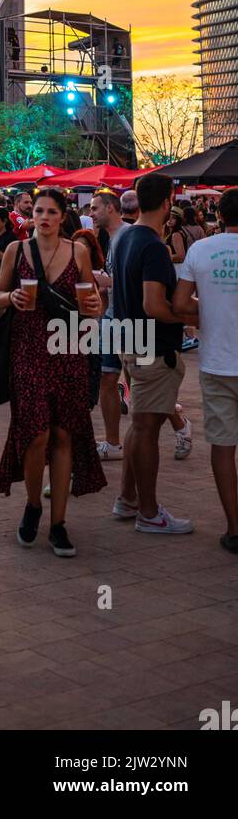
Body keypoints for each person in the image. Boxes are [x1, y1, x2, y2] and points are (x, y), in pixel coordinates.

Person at [0, 188, 106, 557]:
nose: (43, 217)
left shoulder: (79, 251)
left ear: (62, 217)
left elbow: (91, 302)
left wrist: (95, 306)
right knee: (35, 433)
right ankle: (33, 504)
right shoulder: (16, 250)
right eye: (38, 210)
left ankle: (58, 523)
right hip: (27, 349)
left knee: (63, 434)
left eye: (51, 212)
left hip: (68, 348)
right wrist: (10, 298)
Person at [111, 173, 198, 534]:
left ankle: (128, 498)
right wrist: (193, 316)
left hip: (131, 341)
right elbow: (153, 304)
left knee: (141, 424)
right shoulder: (151, 246)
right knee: (147, 429)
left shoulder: (125, 236)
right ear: (166, 203)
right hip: (154, 346)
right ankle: (149, 512)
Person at [174, 186, 238, 552]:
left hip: (217, 363)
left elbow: (182, 303)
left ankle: (234, 526)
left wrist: (211, 304)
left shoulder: (201, 250)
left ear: (220, 216)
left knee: (223, 446)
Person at [89, 190, 131, 460]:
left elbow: (142, 284)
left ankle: (178, 422)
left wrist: (108, 282)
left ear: (111, 209)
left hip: (134, 321)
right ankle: (113, 443)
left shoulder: (130, 236)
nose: (91, 213)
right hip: (111, 318)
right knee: (107, 378)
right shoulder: (108, 238)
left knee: (141, 382)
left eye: (95, 208)